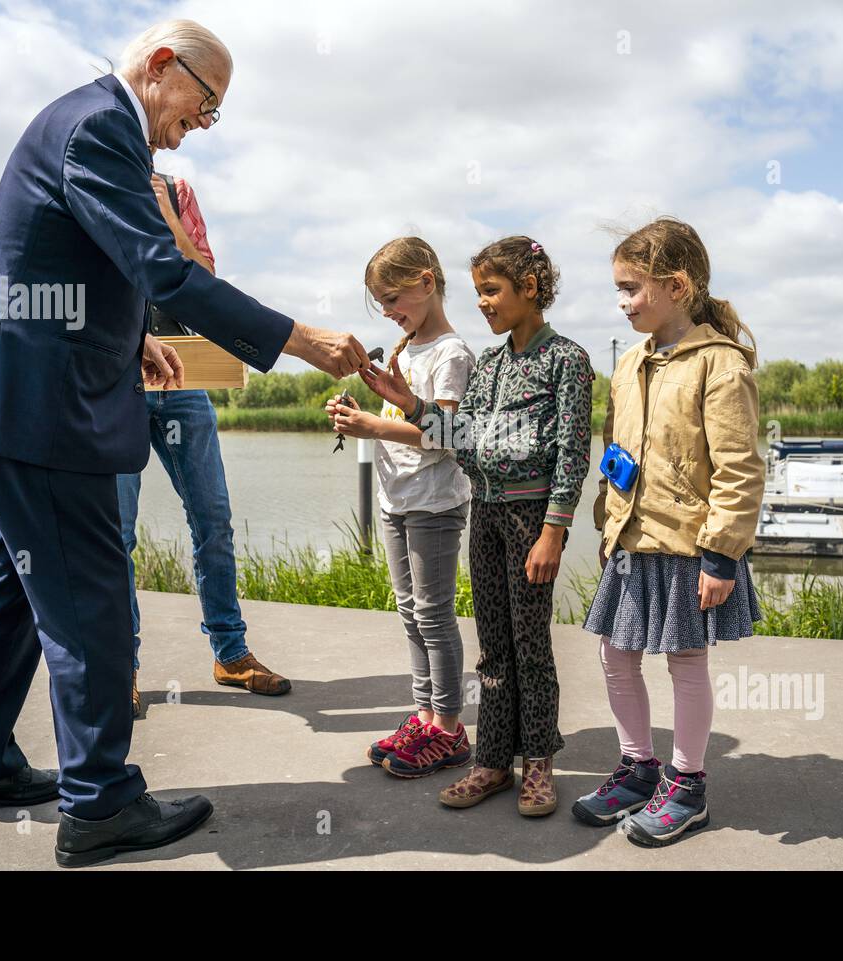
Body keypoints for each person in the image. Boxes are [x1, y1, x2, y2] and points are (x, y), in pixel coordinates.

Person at [0, 19, 368, 868]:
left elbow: (57, 259)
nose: (200, 125)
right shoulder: (102, 127)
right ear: (163, 67)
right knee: (89, 599)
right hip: (44, 410)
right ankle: (100, 804)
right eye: (205, 105)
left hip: (9, 394)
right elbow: (164, 270)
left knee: (9, 588)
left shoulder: (85, 123)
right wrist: (298, 340)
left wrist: (130, 339)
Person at [359, 236, 594, 817]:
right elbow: (457, 439)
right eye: (478, 292)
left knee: (531, 647)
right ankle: (491, 761)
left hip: (529, 520)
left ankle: (537, 764)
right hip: (485, 518)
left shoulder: (566, 360)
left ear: (530, 288)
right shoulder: (488, 367)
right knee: (492, 647)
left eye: (492, 291)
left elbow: (572, 453)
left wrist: (554, 531)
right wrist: (410, 405)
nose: (483, 303)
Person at [572, 217, 764, 846]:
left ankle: (688, 784)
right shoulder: (629, 364)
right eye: (619, 291)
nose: (623, 302)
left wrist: (721, 555)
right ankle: (636, 766)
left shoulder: (720, 365)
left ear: (676, 285)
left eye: (632, 289)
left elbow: (739, 469)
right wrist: (606, 524)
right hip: (630, 540)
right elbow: (615, 453)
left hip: (690, 545)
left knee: (685, 661)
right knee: (614, 654)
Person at [119, 164, 290, 718]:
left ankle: (230, 652)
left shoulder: (178, 188)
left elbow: (204, 279)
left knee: (213, 518)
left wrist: (167, 213)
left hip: (184, 376)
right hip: (117, 379)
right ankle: (121, 669)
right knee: (115, 533)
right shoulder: (98, 173)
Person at [325, 237, 476, 778]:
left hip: (433, 502)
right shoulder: (406, 350)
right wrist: (360, 411)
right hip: (396, 498)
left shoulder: (451, 353)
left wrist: (371, 426)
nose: (388, 312)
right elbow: (405, 418)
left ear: (427, 282)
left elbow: (445, 433)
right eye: (381, 304)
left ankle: (450, 730)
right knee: (410, 612)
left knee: (434, 615)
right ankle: (424, 716)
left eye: (392, 299)